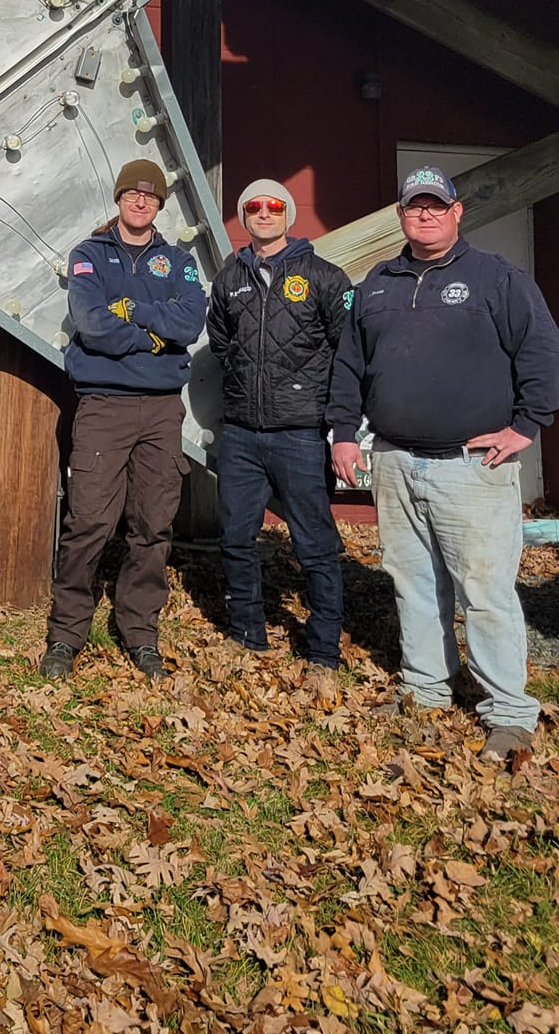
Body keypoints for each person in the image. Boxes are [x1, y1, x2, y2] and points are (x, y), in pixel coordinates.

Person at [326, 165, 559, 763]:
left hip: (471, 467)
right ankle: (426, 689)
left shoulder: (496, 278)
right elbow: (349, 364)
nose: (425, 215)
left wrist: (527, 424)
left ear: (457, 212)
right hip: (394, 460)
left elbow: (541, 348)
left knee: (484, 590)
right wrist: (344, 435)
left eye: (436, 205)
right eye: (414, 206)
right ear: (400, 216)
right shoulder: (377, 283)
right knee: (413, 583)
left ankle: (508, 713)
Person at [40, 159, 206, 684]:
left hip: (161, 409)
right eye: (132, 194)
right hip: (103, 405)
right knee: (89, 521)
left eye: (150, 196)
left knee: (153, 524)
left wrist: (132, 311)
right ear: (118, 199)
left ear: (159, 205)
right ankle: (67, 634)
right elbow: (92, 325)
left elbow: (191, 321)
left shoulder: (177, 262)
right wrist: (155, 339)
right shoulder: (89, 255)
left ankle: (140, 631)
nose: (140, 201)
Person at [206, 177, 350, 697]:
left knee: (315, 545)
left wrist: (334, 418)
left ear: (288, 214)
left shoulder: (324, 276)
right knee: (236, 538)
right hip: (242, 434)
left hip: (301, 434)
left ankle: (324, 652)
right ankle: (248, 634)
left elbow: (348, 347)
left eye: (273, 205)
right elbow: (220, 340)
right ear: (244, 217)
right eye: (253, 207)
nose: (263, 213)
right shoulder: (230, 278)